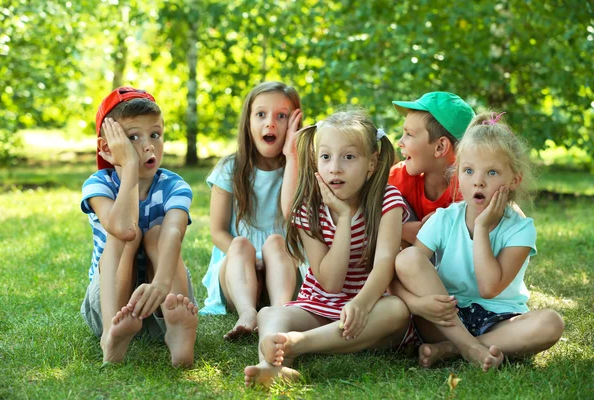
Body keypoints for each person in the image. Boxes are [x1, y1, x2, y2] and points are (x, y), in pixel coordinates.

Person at [244, 108, 414, 388]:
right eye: (326, 157)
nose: (335, 167)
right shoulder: (308, 208)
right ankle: (269, 366)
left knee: (397, 310)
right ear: (315, 160)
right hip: (319, 304)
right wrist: (344, 220)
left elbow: (385, 262)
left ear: (371, 163)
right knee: (270, 314)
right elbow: (331, 283)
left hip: (370, 304)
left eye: (348, 157)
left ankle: (298, 344)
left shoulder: (387, 199)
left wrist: (361, 303)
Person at [392, 112, 564, 370]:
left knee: (551, 323)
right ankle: (468, 346)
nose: (478, 181)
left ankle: (454, 349)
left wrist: (482, 229)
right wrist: (417, 303)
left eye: (492, 172)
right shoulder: (445, 219)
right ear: (457, 174)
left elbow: (488, 288)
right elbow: (405, 271)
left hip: (500, 321)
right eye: (468, 170)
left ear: (514, 180)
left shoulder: (520, 229)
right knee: (407, 257)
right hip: (447, 318)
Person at [80, 86, 198, 366]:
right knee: (129, 236)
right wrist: (129, 166)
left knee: (158, 232)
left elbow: (174, 231)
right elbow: (122, 228)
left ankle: (178, 333)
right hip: (109, 303)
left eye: (155, 135)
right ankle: (111, 333)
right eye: (133, 137)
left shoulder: (175, 185)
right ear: (108, 147)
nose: (148, 145)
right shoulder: (99, 185)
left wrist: (160, 284)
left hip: (164, 295)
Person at [200, 81, 304, 340]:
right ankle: (247, 313)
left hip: (283, 271)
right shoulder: (230, 169)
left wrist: (294, 156)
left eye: (282, 116)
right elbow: (217, 231)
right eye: (261, 115)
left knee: (277, 242)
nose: (270, 123)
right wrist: (253, 259)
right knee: (240, 245)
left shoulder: (301, 170)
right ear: (248, 122)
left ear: (295, 125)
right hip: (237, 274)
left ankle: (279, 312)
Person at [388, 92, 475, 247]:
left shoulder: (470, 187)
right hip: (411, 261)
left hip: (456, 262)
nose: (400, 142)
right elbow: (364, 215)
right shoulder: (398, 177)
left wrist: (447, 222)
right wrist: (400, 230)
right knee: (389, 200)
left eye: (409, 134)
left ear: (440, 147)